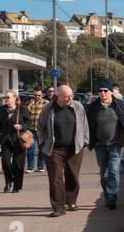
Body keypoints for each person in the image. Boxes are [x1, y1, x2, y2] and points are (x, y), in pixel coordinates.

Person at [37, 84, 88, 217]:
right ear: (58, 96)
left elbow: (84, 124)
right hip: (54, 149)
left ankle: (71, 201)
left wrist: (84, 141)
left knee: (73, 175)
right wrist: (42, 143)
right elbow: (40, 128)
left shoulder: (78, 106)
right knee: (55, 178)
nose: (69, 98)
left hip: (74, 147)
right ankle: (58, 207)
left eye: (71, 95)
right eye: (66, 96)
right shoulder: (48, 108)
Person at [84, 80, 124, 210]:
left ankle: (112, 196)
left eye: (105, 91)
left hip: (116, 144)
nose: (103, 93)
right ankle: (107, 194)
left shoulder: (120, 105)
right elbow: (88, 125)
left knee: (113, 169)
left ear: (111, 92)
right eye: (100, 91)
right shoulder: (93, 107)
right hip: (100, 145)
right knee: (104, 173)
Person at [0, 89, 30, 193]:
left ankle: (17, 186)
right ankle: (9, 180)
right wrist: (0, 134)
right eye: (4, 97)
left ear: (15, 98)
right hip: (6, 139)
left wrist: (21, 126)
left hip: (19, 139)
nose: (5, 99)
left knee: (18, 164)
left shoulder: (22, 109)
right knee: (5, 161)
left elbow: (28, 123)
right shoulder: (2, 109)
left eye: (8, 97)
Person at [23, 90, 47, 171]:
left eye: (38, 95)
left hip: (41, 130)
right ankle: (30, 167)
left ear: (42, 95)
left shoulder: (46, 103)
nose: (37, 97)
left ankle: (41, 166)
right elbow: (26, 113)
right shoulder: (30, 103)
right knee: (30, 149)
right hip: (31, 129)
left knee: (42, 149)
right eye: (35, 95)